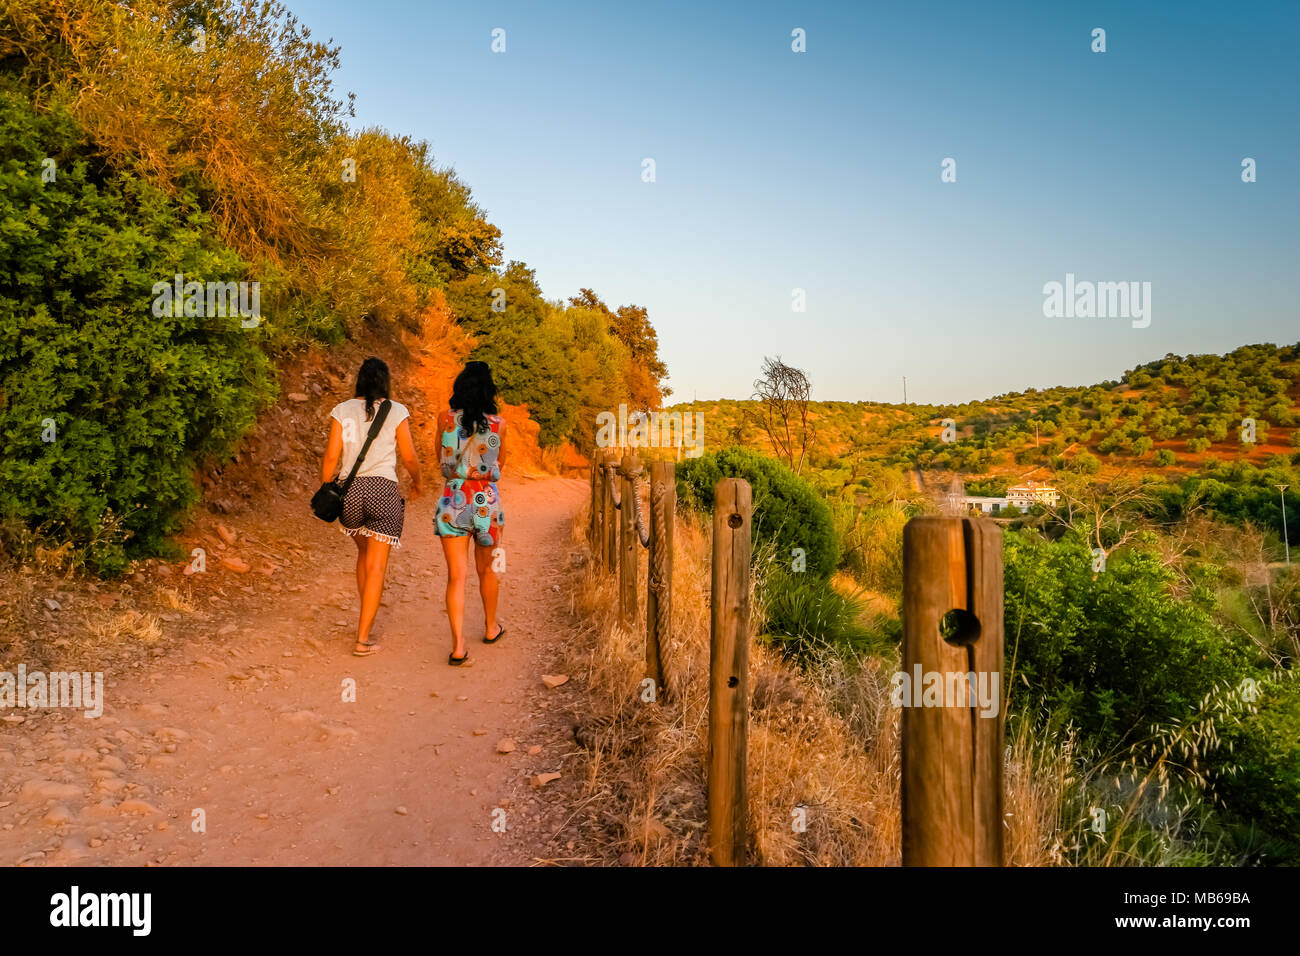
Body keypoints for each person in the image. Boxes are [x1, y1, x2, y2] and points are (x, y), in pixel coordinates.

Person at [320, 357, 421, 657]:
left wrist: (326, 488)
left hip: (349, 493)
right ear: (385, 382)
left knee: (363, 554)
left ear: (360, 381)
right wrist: (418, 483)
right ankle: (362, 638)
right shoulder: (397, 410)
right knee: (377, 565)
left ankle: (366, 615)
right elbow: (410, 457)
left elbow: (330, 457)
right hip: (383, 492)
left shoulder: (342, 410)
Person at [434, 360, 506, 665]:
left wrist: (460, 474)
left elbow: (440, 460)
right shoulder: (499, 424)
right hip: (486, 504)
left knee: (456, 577)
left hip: (453, 500)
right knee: (487, 570)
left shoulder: (445, 419)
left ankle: (459, 647)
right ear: (489, 390)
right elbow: (502, 463)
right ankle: (491, 628)